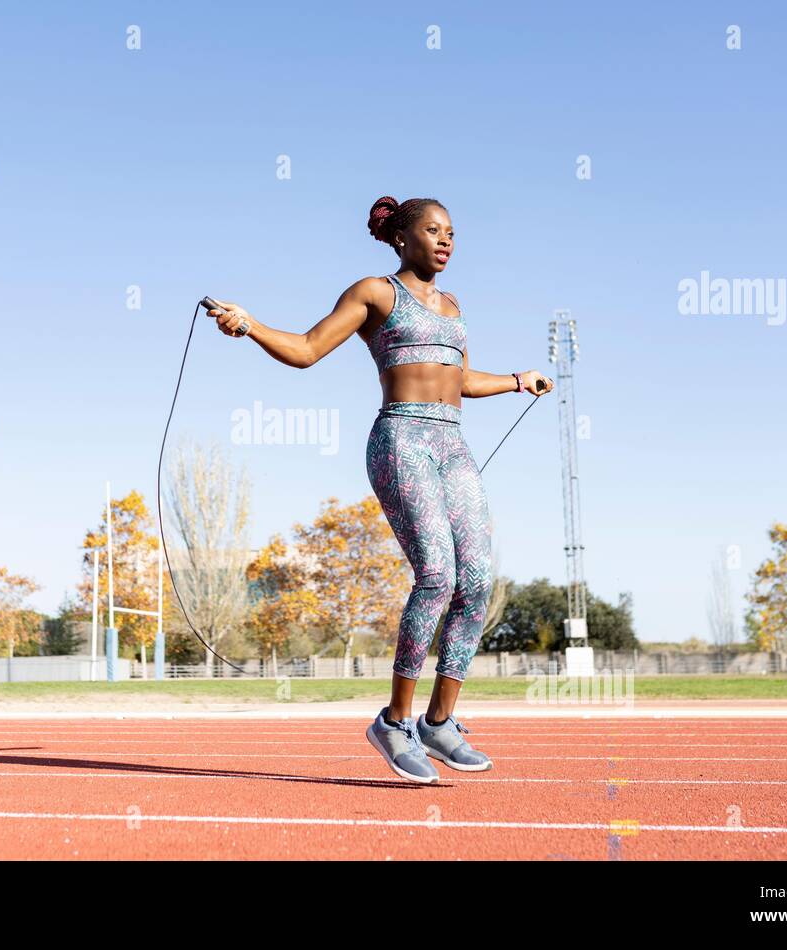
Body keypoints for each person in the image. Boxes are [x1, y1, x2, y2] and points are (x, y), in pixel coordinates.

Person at [206, 196, 553, 784]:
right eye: (433, 230)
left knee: (476, 583)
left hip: (453, 444)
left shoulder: (452, 306)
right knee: (437, 576)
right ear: (401, 238)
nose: (446, 241)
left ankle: (440, 724)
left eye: (451, 233)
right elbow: (308, 350)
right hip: (402, 439)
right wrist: (251, 324)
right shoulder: (375, 292)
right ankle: (395, 722)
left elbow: (462, 379)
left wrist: (519, 380)